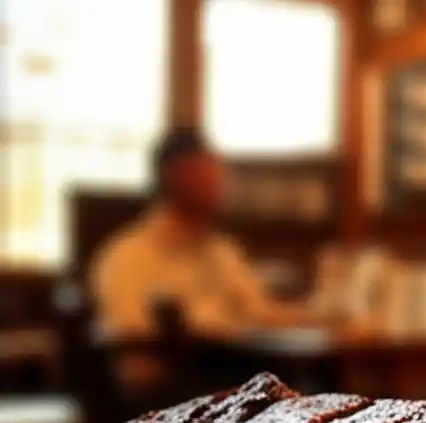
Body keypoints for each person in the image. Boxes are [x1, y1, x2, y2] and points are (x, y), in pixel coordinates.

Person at [90, 127, 305, 340]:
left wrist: (321, 318)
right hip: (175, 369)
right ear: (173, 176)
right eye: (205, 172)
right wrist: (218, 329)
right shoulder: (126, 258)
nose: (218, 184)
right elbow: (132, 335)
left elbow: (261, 312)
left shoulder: (223, 251)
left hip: (233, 366)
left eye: (217, 173)